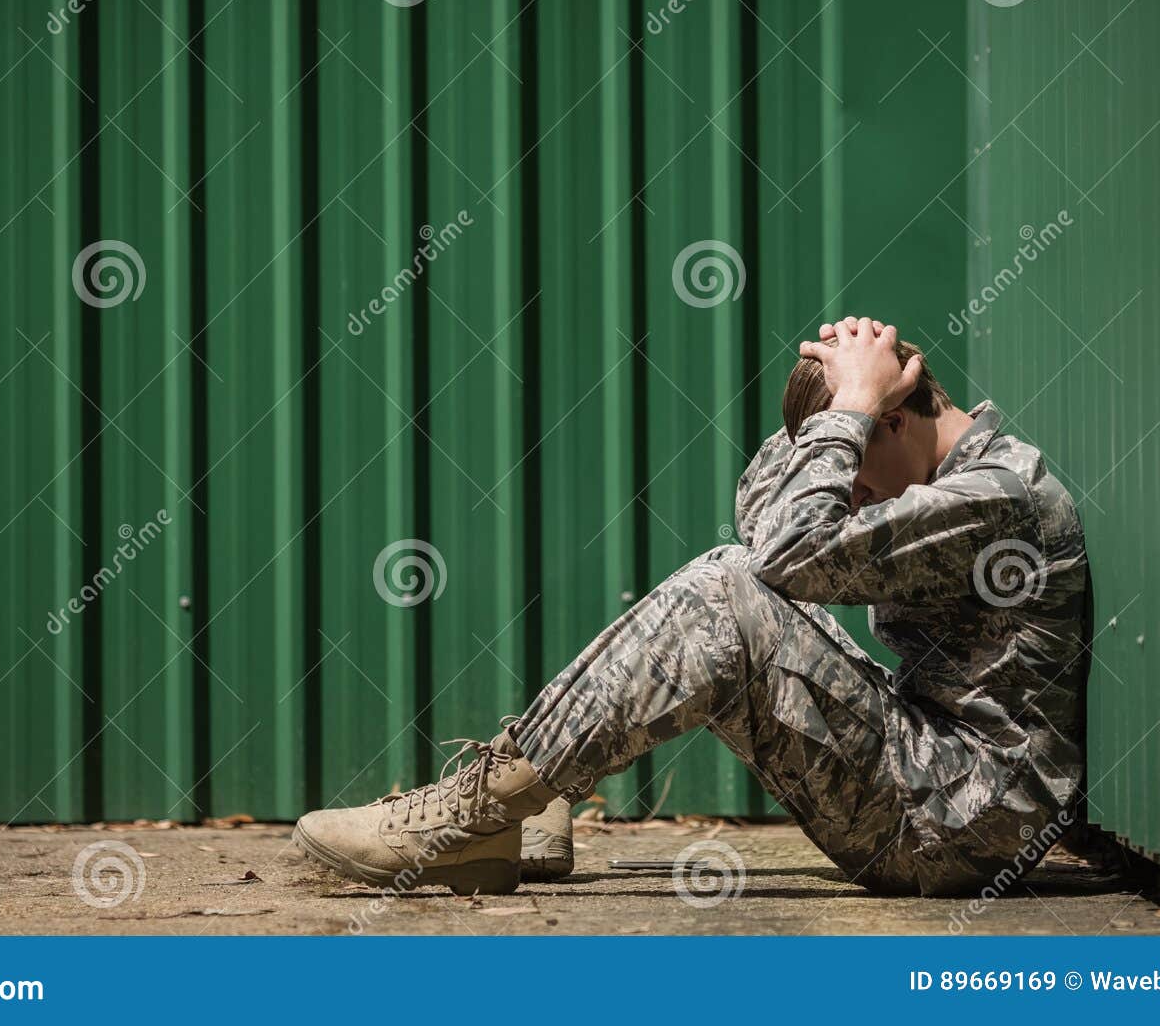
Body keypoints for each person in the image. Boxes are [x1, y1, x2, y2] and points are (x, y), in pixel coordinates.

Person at [291, 317, 1091, 897]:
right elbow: (761, 510)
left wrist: (844, 415)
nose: (850, 492)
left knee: (726, 587)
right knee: (733, 576)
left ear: (891, 416)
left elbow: (783, 553)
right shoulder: (927, 465)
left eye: (854, 463)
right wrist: (842, 400)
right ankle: (518, 798)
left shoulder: (994, 498)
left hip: (963, 821)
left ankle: (477, 811)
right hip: (932, 778)